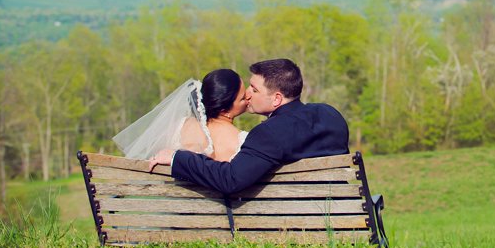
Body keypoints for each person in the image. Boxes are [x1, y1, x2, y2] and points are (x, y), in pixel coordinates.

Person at [148, 58, 349, 195]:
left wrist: (177, 157)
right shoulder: (330, 115)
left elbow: (230, 179)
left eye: (254, 89)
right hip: (342, 211)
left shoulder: (269, 133)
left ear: (277, 98)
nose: (248, 95)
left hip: (296, 220)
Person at [113, 68, 249, 162]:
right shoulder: (243, 141)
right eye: (243, 98)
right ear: (224, 110)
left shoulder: (181, 127)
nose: (248, 96)